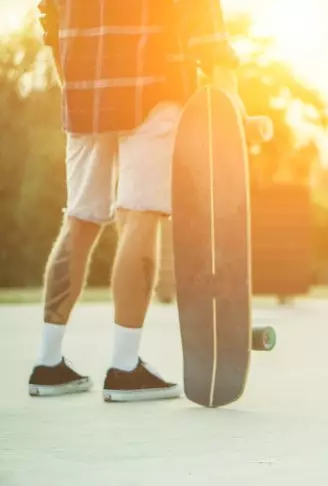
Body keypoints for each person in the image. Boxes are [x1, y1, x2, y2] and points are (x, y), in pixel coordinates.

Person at [28, 0, 242, 402]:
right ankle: (125, 367)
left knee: (79, 219)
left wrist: (69, 67)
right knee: (140, 217)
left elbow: (49, 12)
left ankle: (47, 362)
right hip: (152, 88)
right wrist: (227, 87)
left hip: (84, 93)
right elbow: (200, 14)